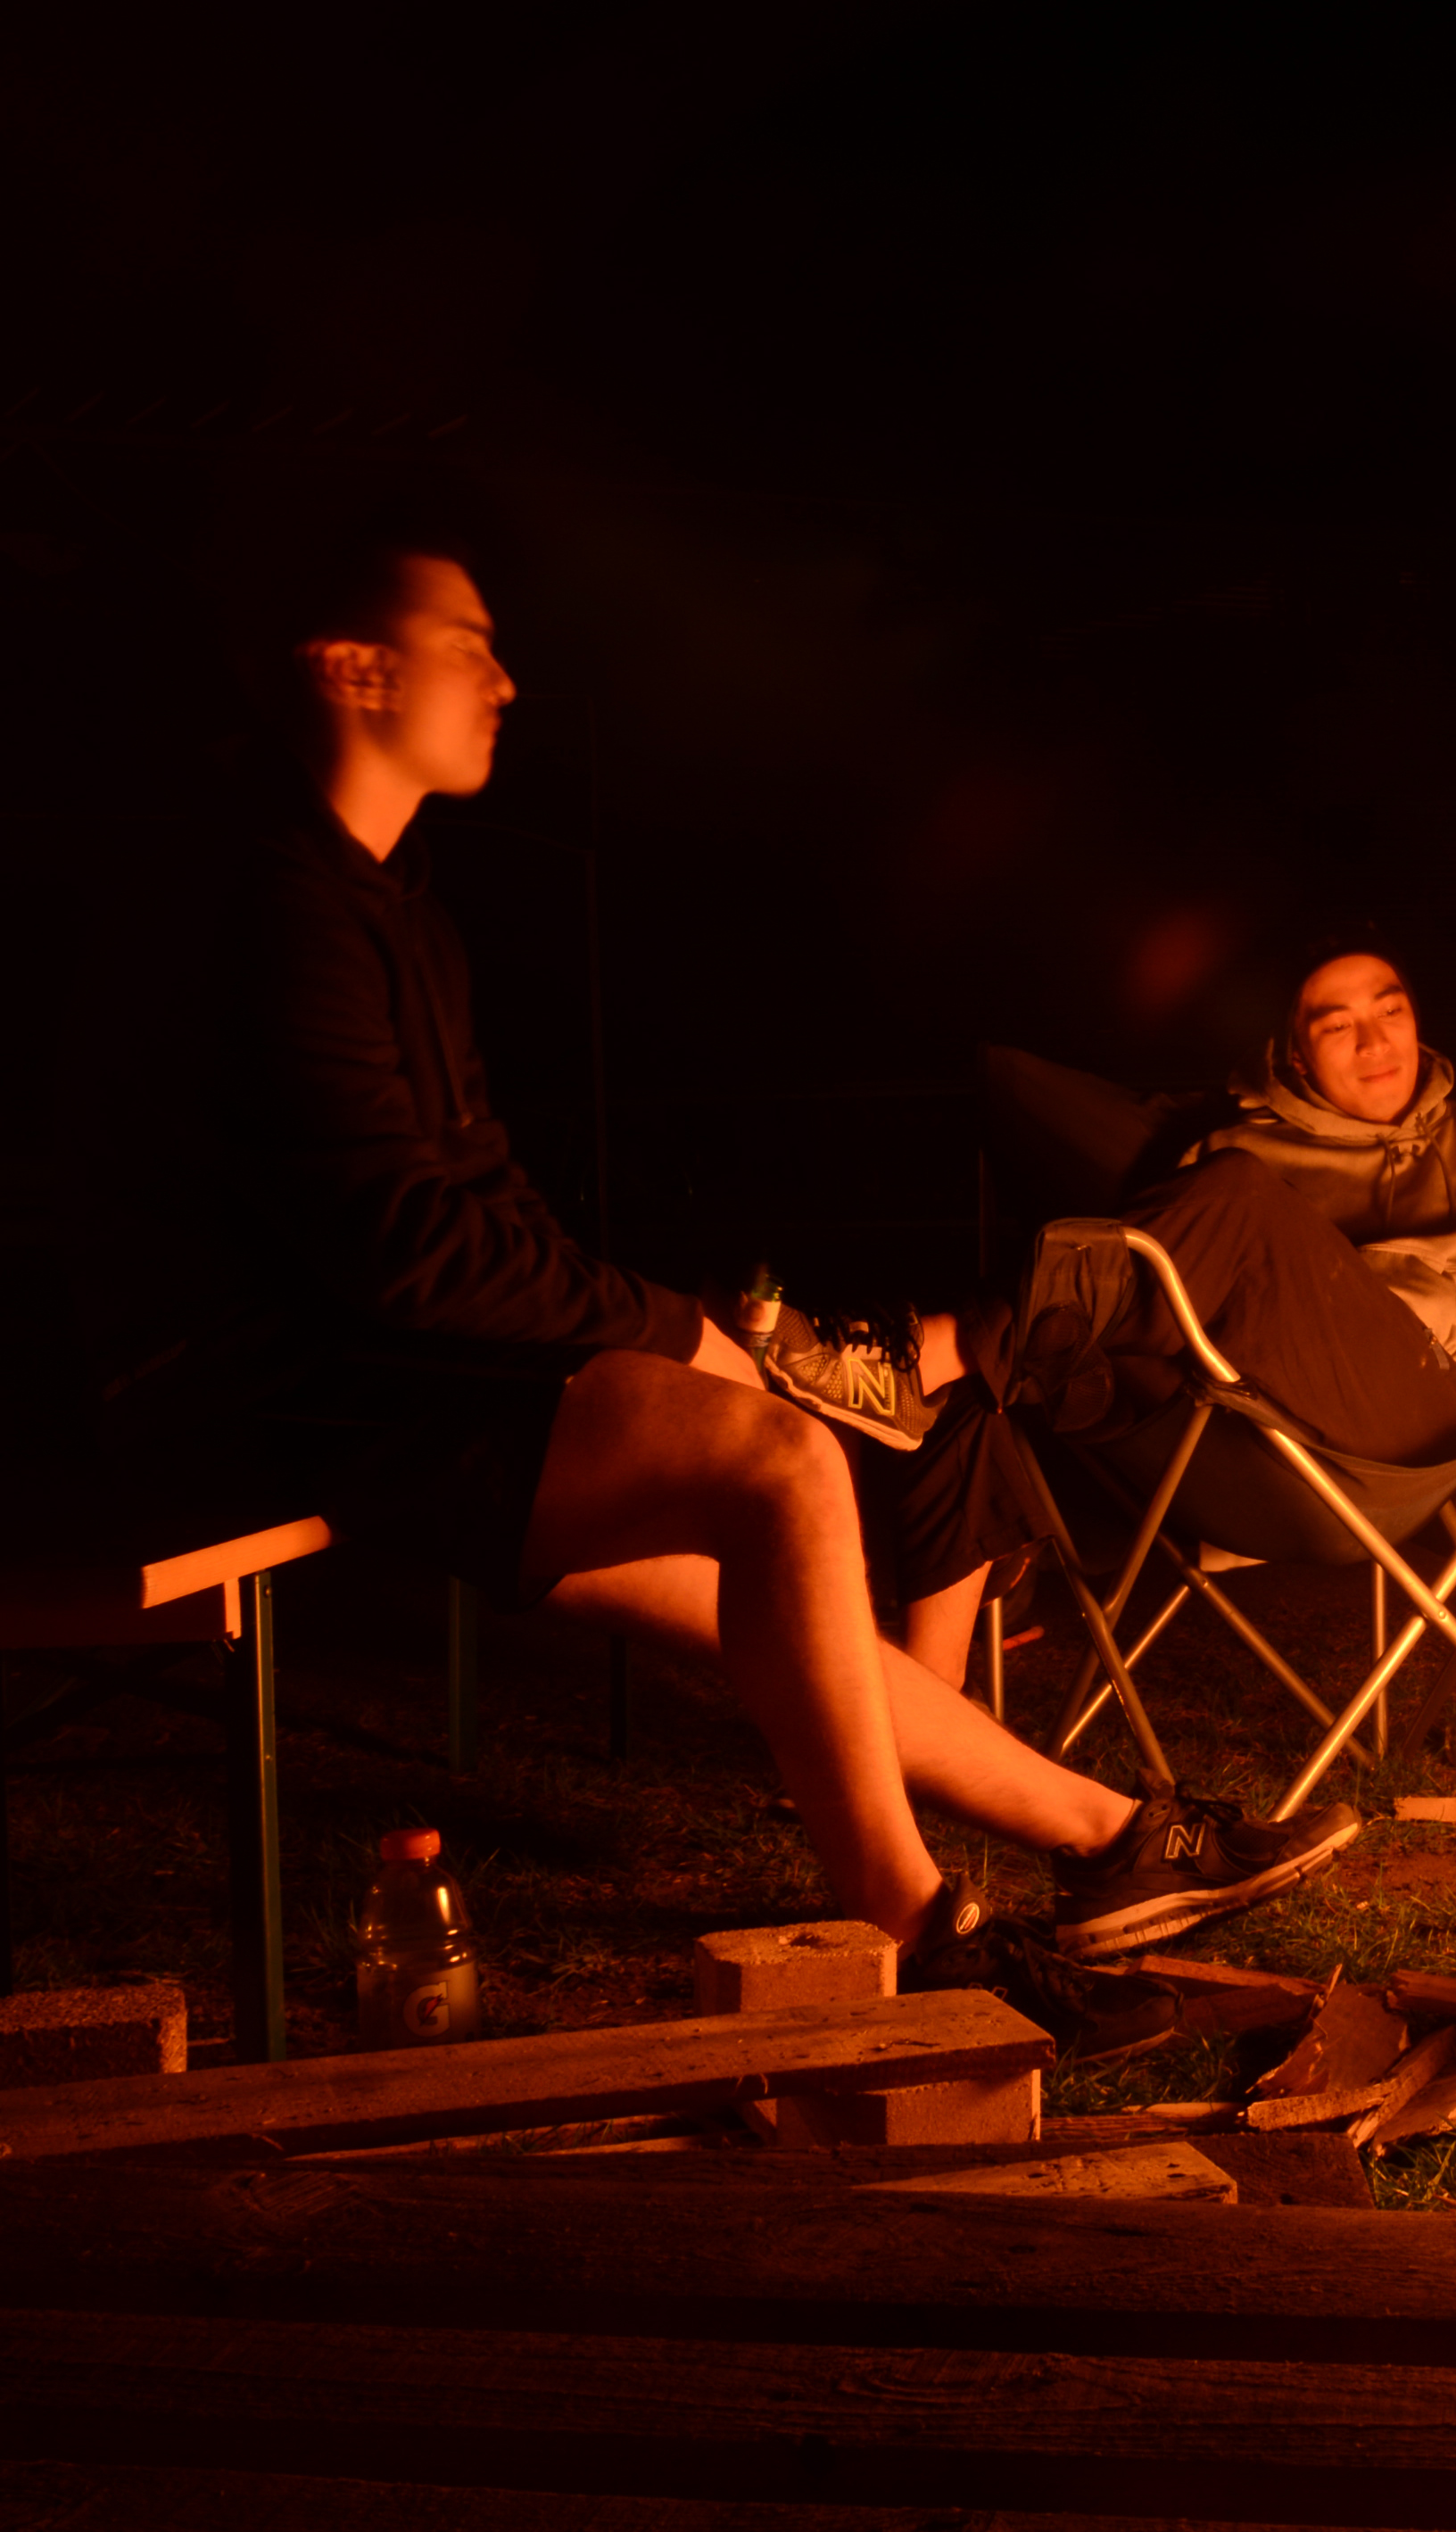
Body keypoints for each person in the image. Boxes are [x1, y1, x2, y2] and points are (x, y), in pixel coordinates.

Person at [62, 524, 1352, 2055]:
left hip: (387, 1379)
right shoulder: (285, 906)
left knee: (766, 1578)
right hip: (271, 1397)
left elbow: (476, 1208)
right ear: (355, 671)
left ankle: (1113, 1839)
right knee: (781, 1459)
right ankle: (927, 1930)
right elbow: (400, 1249)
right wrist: (675, 1340)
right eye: (465, 644)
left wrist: (684, 1327)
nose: (504, 677)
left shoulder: (391, 904)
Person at [758, 941, 1456, 1696]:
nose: (1376, 1042)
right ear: (1295, 1054)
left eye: (1390, 1011)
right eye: (1339, 1026)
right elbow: (1159, 1317)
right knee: (1002, 1379)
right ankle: (924, 1700)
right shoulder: (1240, 1152)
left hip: (1422, 1435)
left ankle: (925, 1353)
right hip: (1251, 1446)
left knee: (1216, 1203)